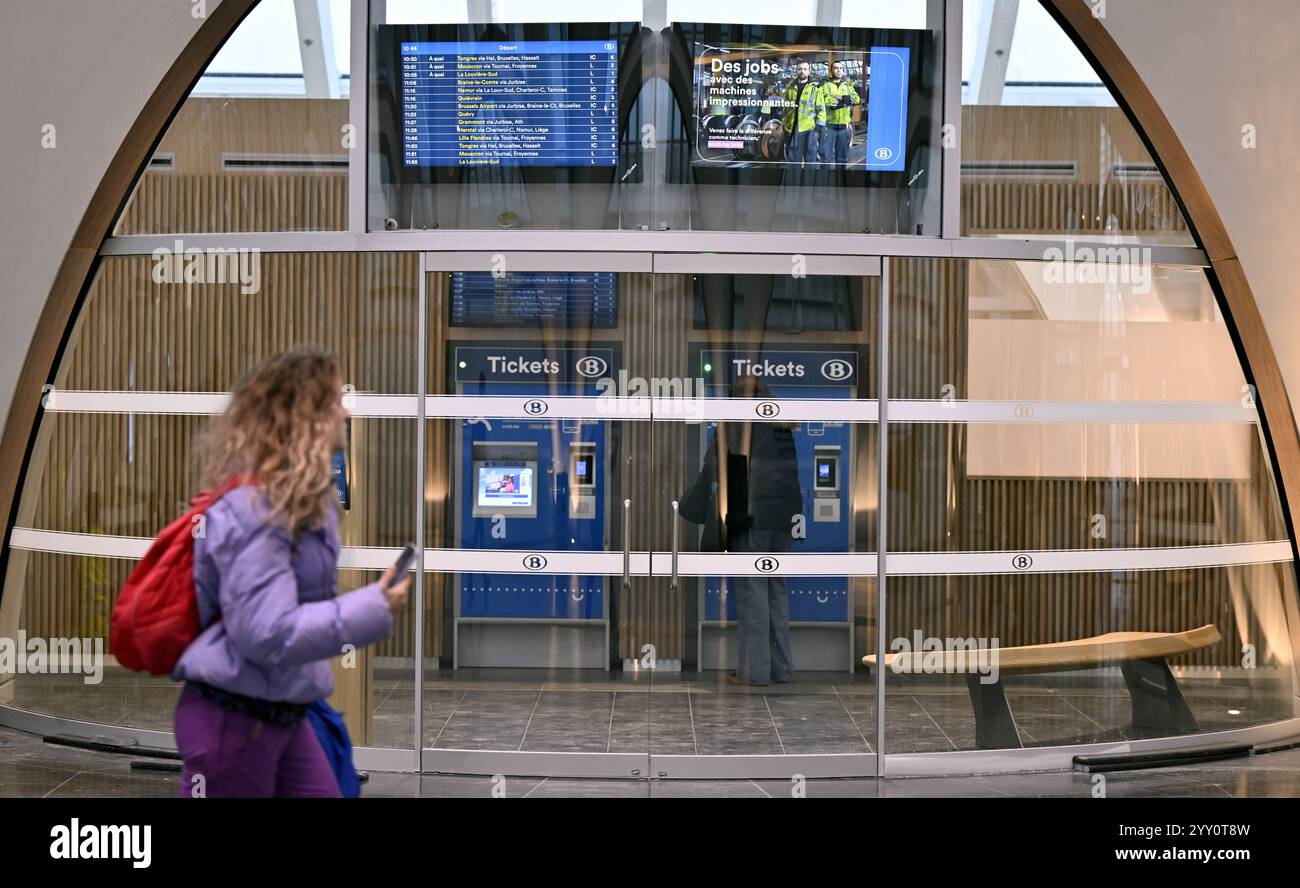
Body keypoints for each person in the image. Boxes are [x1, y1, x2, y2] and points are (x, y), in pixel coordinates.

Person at [171, 350, 410, 797]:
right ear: (304, 417)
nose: (346, 412)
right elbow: (268, 633)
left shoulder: (304, 504)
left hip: (283, 710)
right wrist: (373, 606)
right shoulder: (257, 512)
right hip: (234, 721)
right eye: (334, 401)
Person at [680, 376, 803, 686]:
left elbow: (713, 467)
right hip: (783, 519)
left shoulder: (735, 424)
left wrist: (693, 497)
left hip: (750, 517)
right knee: (776, 593)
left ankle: (755, 672)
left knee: (752, 596)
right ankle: (781, 669)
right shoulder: (781, 424)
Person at [782, 58, 825, 167]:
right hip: (792, 127)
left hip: (809, 128)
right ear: (796, 70)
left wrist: (818, 129)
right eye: (800, 69)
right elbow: (786, 107)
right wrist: (784, 123)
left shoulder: (815, 88)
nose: (802, 71)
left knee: (810, 159)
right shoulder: (790, 87)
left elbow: (821, 109)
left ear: (809, 71)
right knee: (793, 159)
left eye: (805, 69)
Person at [819, 60, 861, 165]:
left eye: (841, 68)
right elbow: (828, 102)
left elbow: (857, 100)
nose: (838, 70)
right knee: (825, 159)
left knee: (842, 160)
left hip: (843, 128)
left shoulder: (847, 87)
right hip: (829, 127)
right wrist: (846, 102)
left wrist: (841, 98)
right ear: (831, 71)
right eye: (836, 68)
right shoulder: (825, 86)